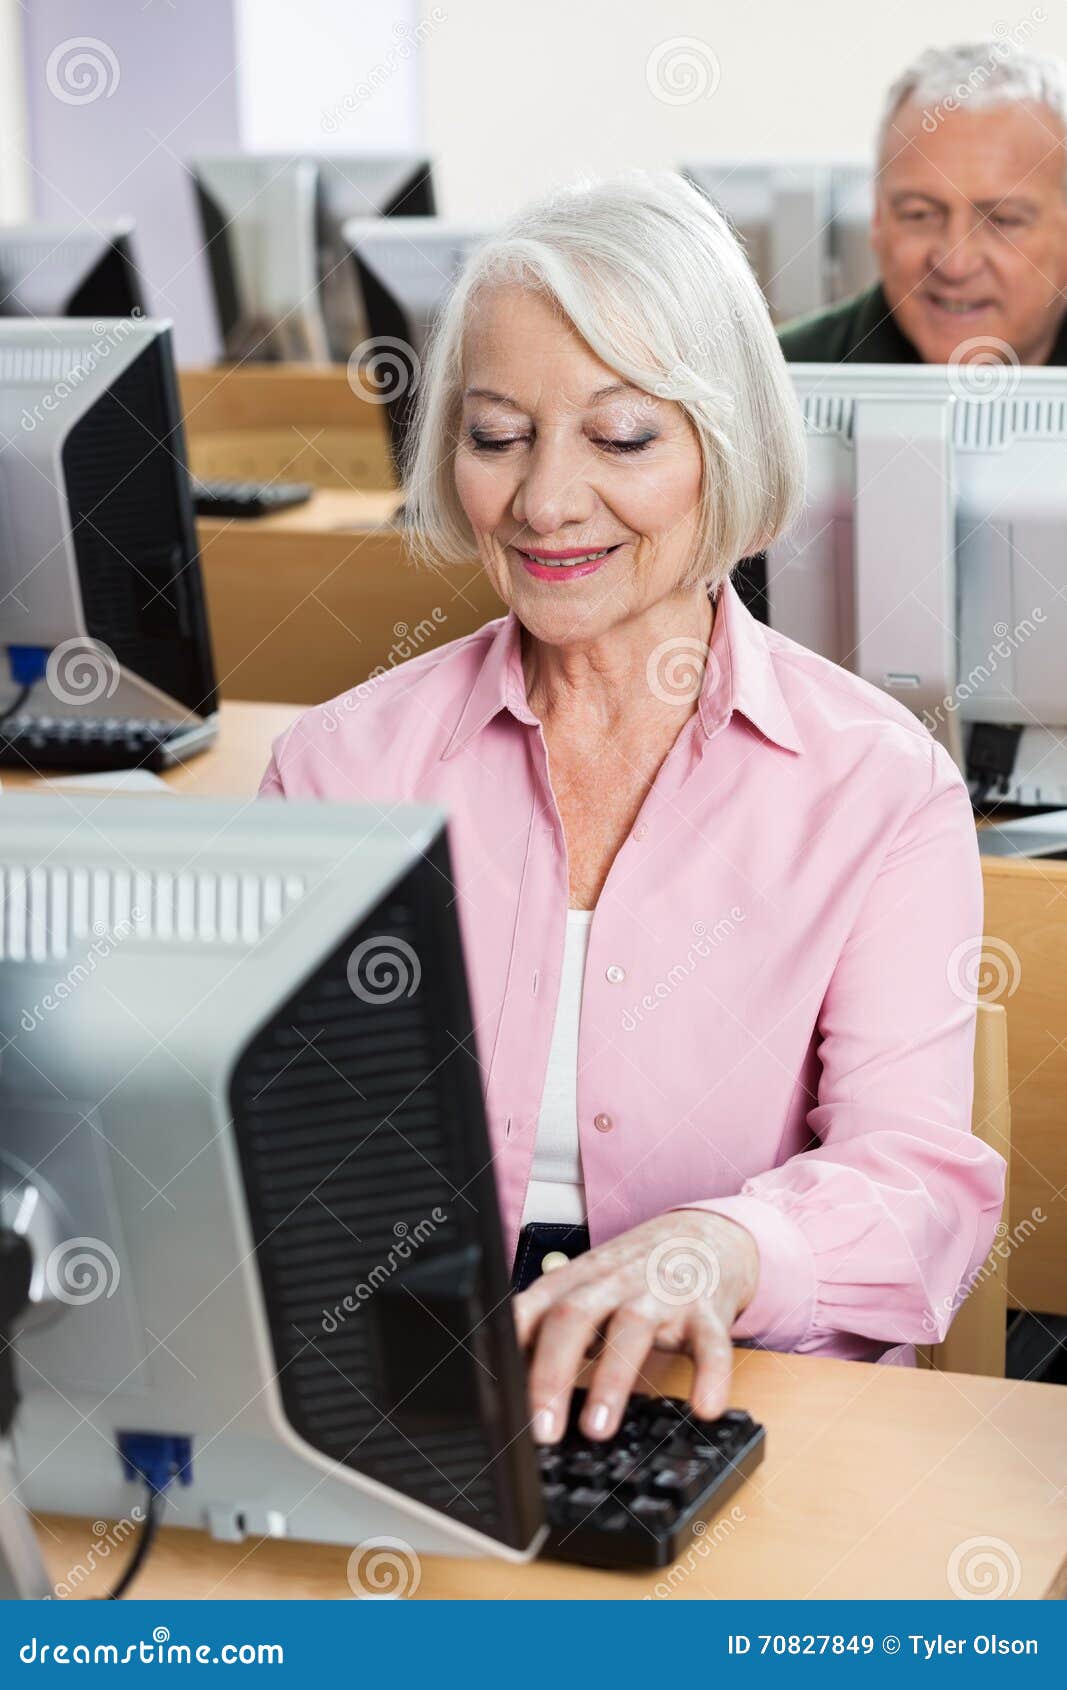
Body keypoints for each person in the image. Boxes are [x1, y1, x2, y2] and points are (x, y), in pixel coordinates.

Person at [259, 171, 1005, 1445]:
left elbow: (914, 1185)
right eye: (497, 437)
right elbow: (263, 1159)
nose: (545, 501)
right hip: (413, 1404)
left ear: (726, 446)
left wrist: (724, 1246)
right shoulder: (338, 766)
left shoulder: (876, 787)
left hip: (746, 1399)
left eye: (618, 438)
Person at [779, 40, 1067, 365]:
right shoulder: (773, 378)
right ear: (879, 218)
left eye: (1003, 221)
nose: (955, 264)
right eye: (919, 215)